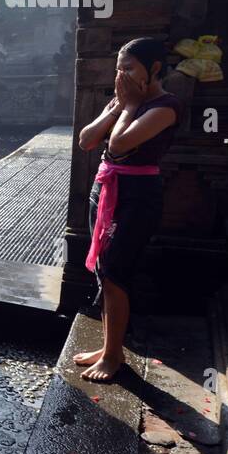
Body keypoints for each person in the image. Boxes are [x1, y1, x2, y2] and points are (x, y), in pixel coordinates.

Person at [75, 37, 183, 382]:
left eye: (128, 68)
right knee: (104, 271)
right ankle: (110, 346)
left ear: (153, 69)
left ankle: (113, 356)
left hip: (137, 195)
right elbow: (87, 140)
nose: (121, 75)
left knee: (117, 273)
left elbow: (120, 144)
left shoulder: (165, 107)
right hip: (105, 188)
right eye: (118, 68)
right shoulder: (124, 102)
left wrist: (129, 106)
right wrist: (120, 107)